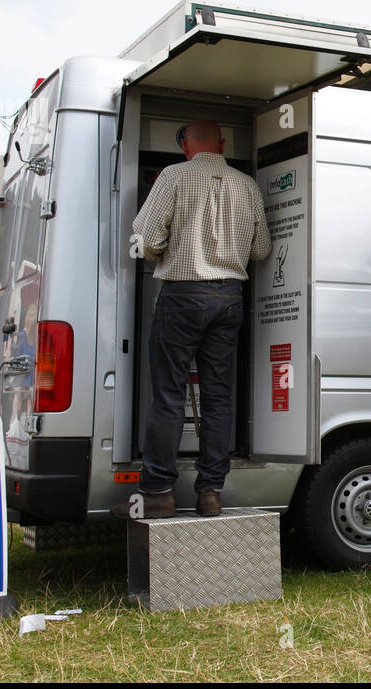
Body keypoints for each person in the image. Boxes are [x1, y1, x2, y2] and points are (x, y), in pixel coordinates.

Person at [112, 119, 271, 519]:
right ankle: (210, 493)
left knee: (168, 395)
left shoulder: (173, 176)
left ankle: (158, 493)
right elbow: (262, 250)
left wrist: (171, 248)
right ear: (222, 144)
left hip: (182, 296)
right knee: (218, 397)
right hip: (230, 297)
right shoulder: (247, 185)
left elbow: (147, 239)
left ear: (185, 145)